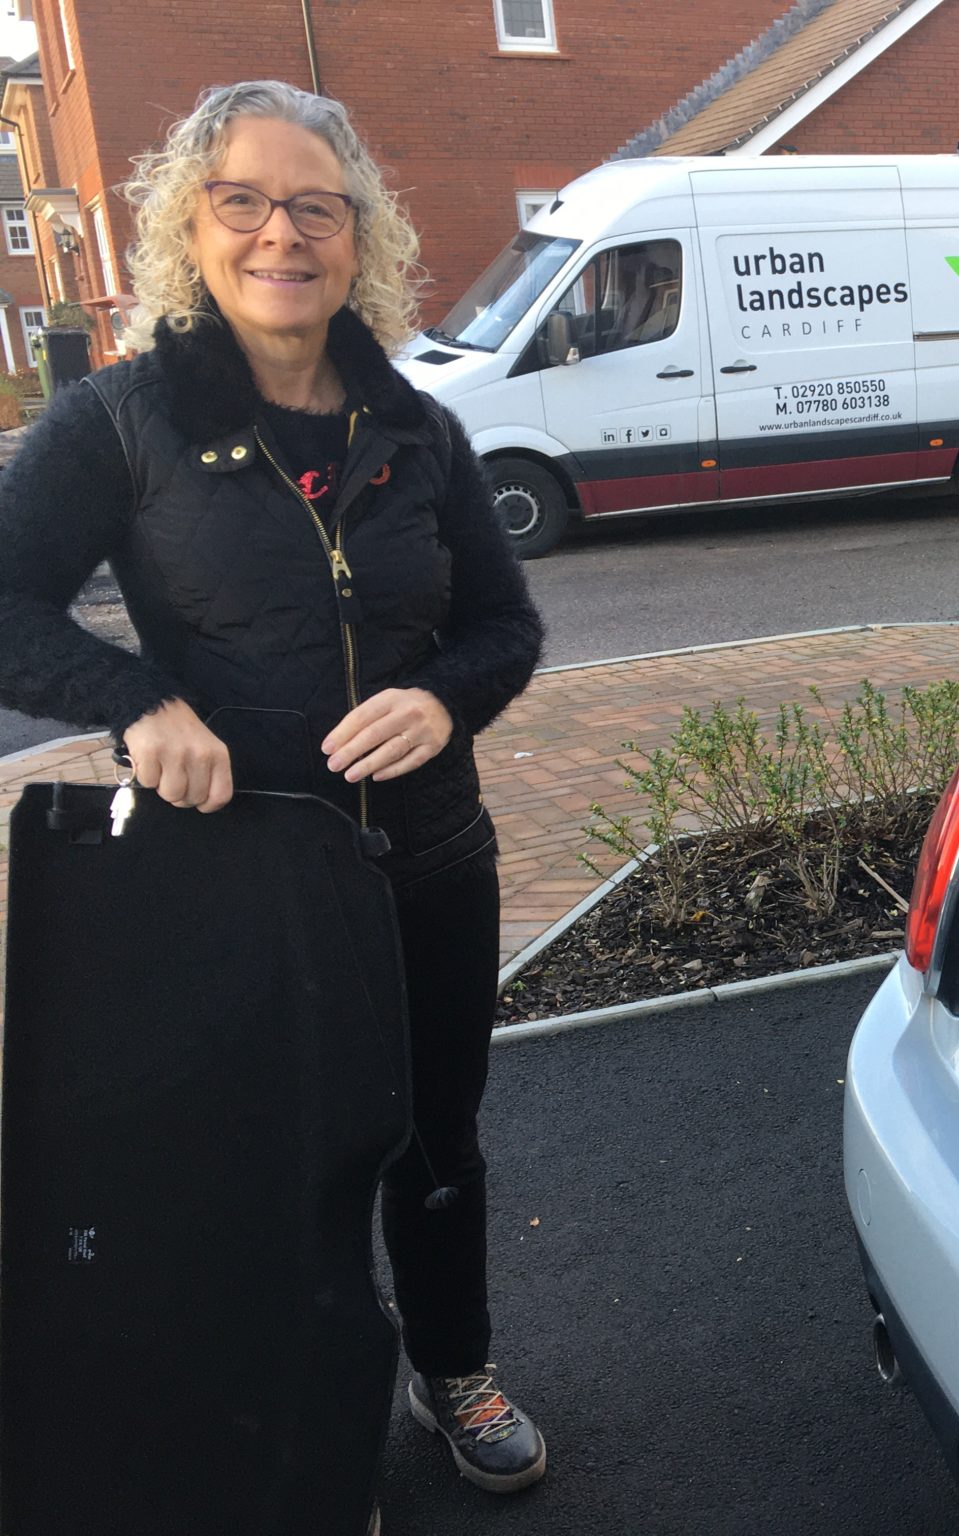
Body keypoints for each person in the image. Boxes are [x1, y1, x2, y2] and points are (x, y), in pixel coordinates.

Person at [0, 82, 548, 1495]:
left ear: (360, 234)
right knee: (268, 1162)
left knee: (437, 1143)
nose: (279, 233)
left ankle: (456, 1367)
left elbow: (504, 627)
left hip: (431, 862)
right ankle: (292, 1416)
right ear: (194, 223)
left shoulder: (418, 428)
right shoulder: (123, 420)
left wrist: (443, 696)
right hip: (240, 877)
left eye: (315, 205)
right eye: (242, 200)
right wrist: (136, 704)